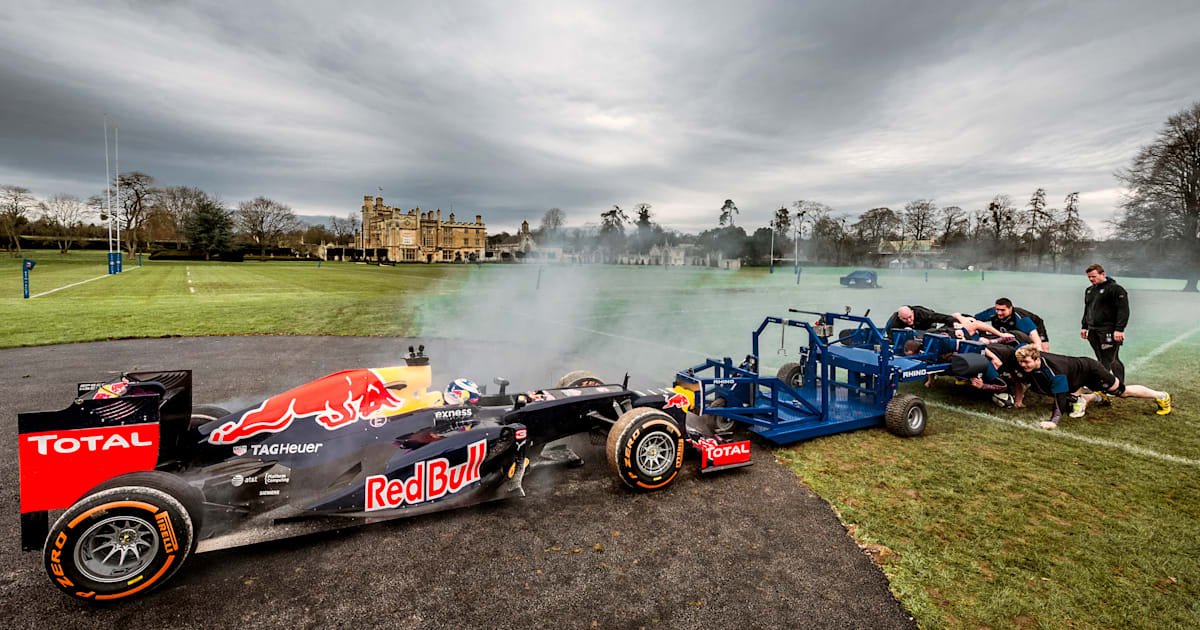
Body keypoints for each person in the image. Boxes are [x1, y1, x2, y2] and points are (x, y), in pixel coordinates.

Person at [1012, 345, 1170, 430]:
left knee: (1122, 392)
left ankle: (1161, 396)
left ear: (1037, 358)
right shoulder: (1029, 357)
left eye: (1026, 362)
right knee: (1048, 390)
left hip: (1091, 370)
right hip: (1074, 376)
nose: (1022, 365)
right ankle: (1094, 397)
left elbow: (1059, 400)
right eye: (1021, 362)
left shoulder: (1055, 372)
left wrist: (1054, 421)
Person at [1081, 263, 1128, 381]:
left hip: (1108, 330)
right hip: (1093, 330)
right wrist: (1084, 326)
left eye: (1094, 276)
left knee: (1111, 358)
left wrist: (1119, 329)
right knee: (1101, 358)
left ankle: (1119, 384)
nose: (1091, 279)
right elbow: (1087, 309)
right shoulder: (1089, 290)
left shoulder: (1116, 289)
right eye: (1089, 277)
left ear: (1103, 274)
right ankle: (1104, 382)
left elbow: (1123, 310)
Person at [974, 298, 1049, 350]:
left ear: (1010, 309)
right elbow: (974, 319)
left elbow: (1034, 336)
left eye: (1002, 310)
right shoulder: (992, 313)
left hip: (1035, 327)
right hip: (1010, 330)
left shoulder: (1020, 318)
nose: (999, 313)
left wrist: (1039, 351)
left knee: (1042, 348)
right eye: (997, 309)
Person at [884, 305, 957, 337]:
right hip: (913, 332)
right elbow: (890, 335)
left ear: (912, 312)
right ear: (899, 317)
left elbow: (942, 317)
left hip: (927, 327)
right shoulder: (893, 322)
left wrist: (954, 322)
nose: (909, 320)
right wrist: (903, 332)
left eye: (910, 317)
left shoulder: (922, 314)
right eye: (905, 319)